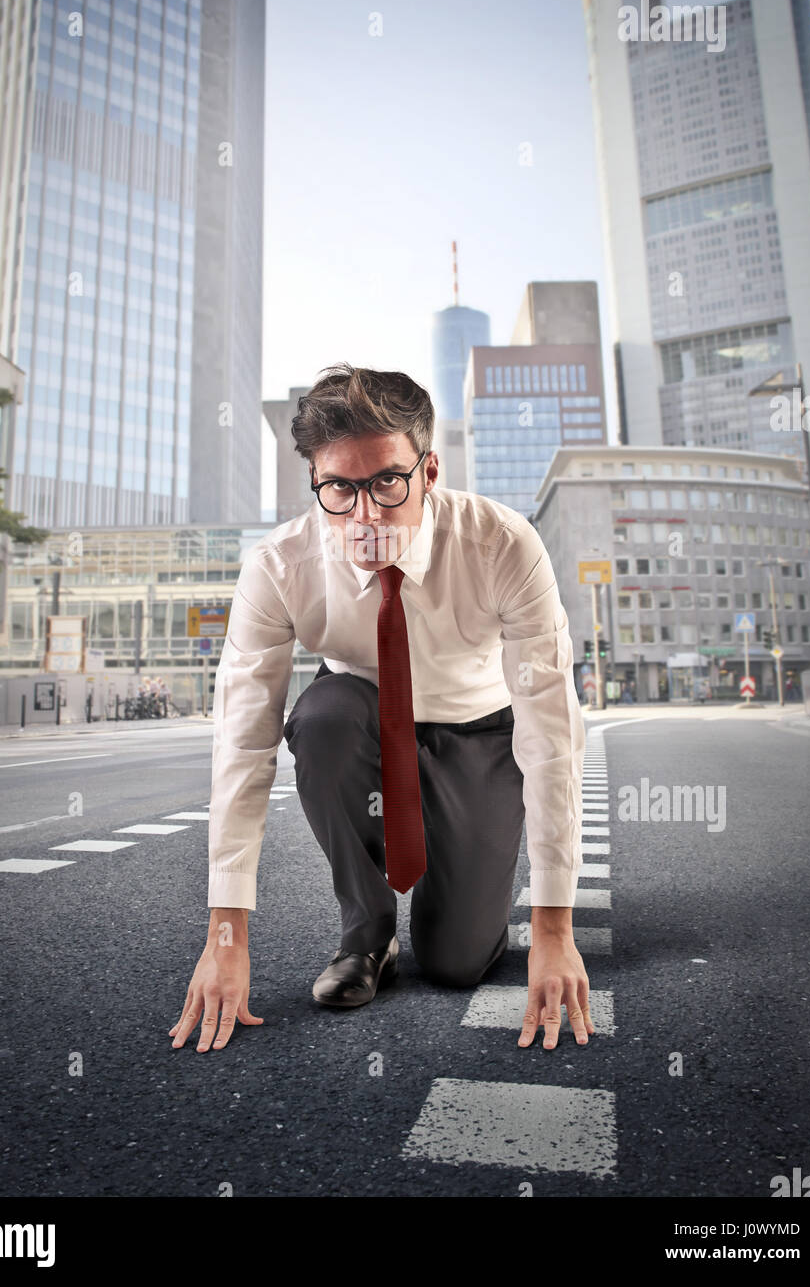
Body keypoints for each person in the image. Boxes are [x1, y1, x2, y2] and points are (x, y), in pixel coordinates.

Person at [170, 364, 591, 1056]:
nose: (364, 514)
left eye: (387, 482)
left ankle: (452, 895)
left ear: (428, 470)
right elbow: (243, 744)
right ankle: (367, 934)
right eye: (340, 487)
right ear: (316, 481)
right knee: (322, 717)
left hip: (480, 731)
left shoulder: (503, 544)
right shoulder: (279, 566)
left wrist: (553, 930)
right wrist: (226, 937)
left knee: (457, 962)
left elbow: (551, 730)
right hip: (363, 721)